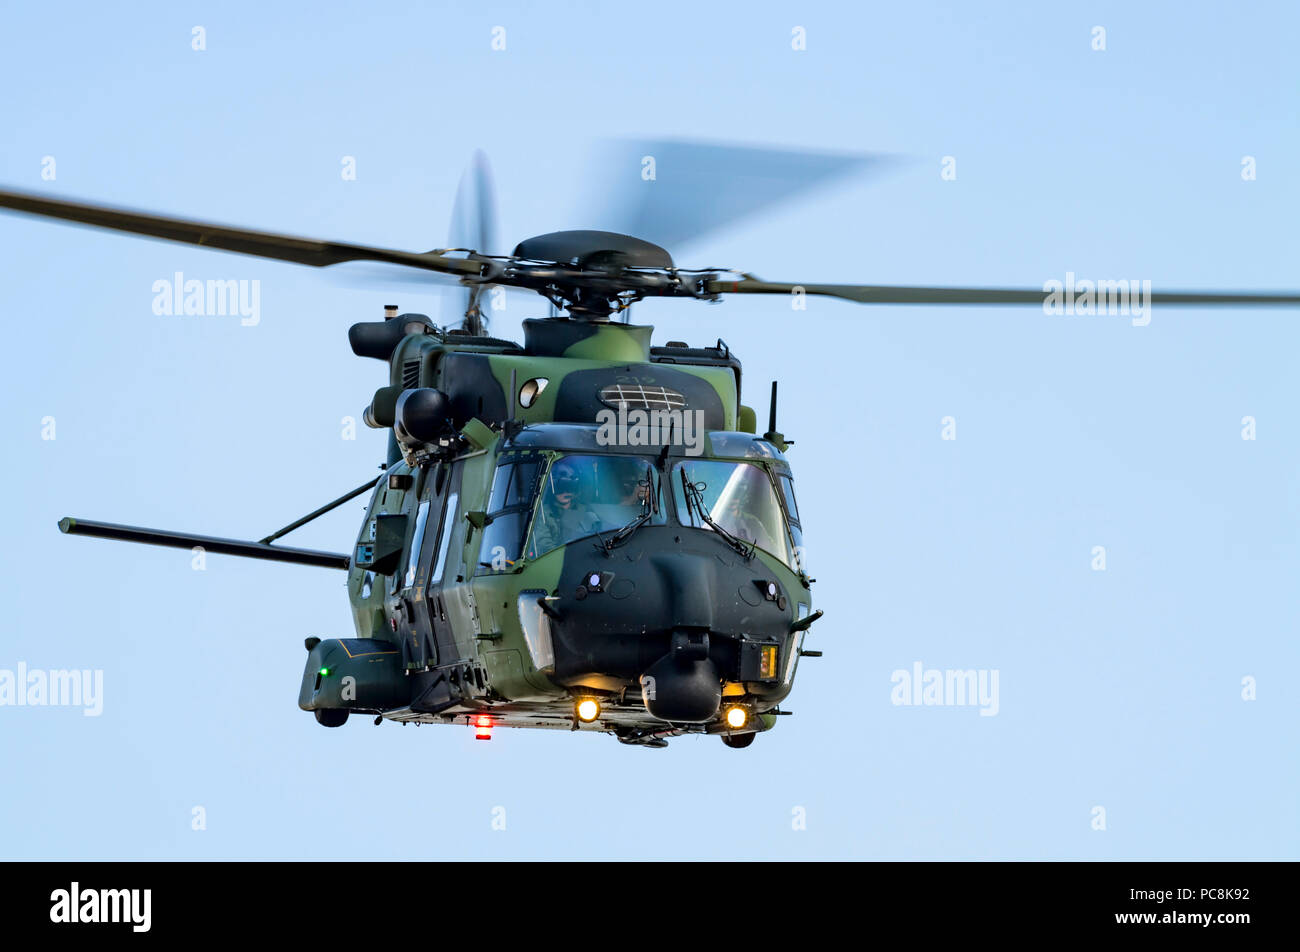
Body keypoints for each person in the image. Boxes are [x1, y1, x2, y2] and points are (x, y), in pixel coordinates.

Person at [530, 459, 604, 555]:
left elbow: (600, 536)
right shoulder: (542, 513)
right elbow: (544, 546)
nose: (565, 492)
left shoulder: (585, 509)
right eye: (561, 487)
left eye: (570, 487)